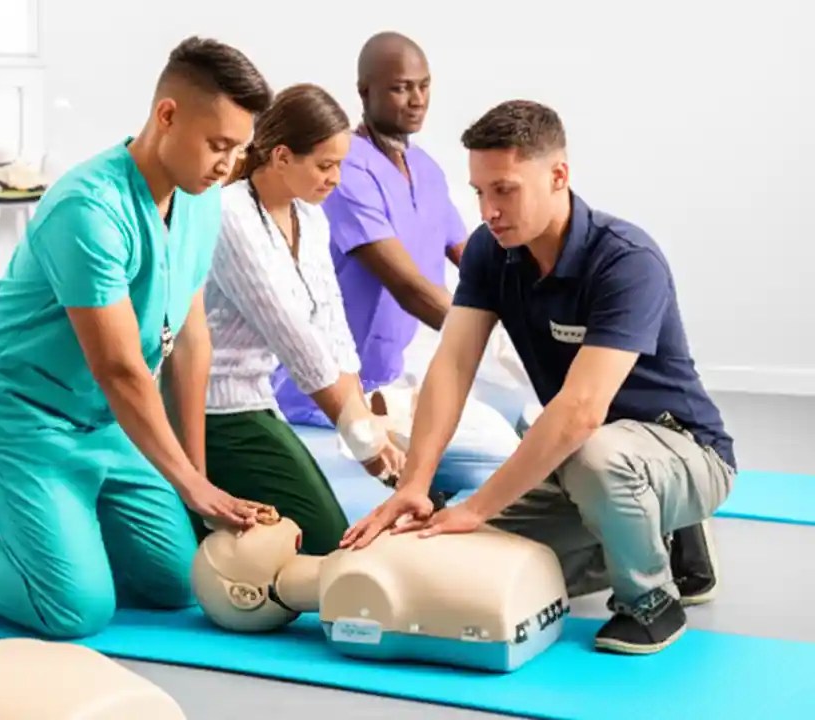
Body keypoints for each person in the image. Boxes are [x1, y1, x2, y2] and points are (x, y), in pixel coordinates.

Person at [0, 37, 273, 639]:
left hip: (102, 423)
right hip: (15, 412)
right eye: (219, 145)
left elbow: (192, 340)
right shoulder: (88, 208)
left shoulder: (200, 203)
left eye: (239, 150)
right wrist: (192, 487)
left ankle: (1, 520)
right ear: (167, 115)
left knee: (177, 581)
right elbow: (122, 369)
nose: (228, 165)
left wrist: (196, 486)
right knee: (75, 607)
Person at [341, 100, 731, 656]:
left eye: (504, 190)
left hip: (682, 450)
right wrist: (415, 487)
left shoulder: (626, 260)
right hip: (575, 462)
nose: (489, 210)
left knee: (597, 456)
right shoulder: (489, 251)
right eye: (478, 192)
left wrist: (475, 505)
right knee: (466, 557)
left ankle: (650, 599)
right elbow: (452, 366)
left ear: (558, 176)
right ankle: (657, 535)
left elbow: (581, 412)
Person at [274, 30, 523, 493]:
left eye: (424, 86)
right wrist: (505, 335)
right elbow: (408, 288)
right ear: (364, 91)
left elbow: (473, 257)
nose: (416, 99)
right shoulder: (344, 168)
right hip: (325, 399)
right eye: (400, 87)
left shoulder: (427, 170)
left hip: (391, 390)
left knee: (508, 456)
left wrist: (539, 302)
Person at [195, 83, 406, 555]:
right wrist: (362, 439)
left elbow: (332, 326)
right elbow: (295, 339)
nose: (335, 178)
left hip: (259, 400)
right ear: (283, 157)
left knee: (330, 522)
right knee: (327, 538)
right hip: (214, 409)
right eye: (325, 165)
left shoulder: (312, 219)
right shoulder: (230, 215)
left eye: (341, 165)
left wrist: (365, 428)